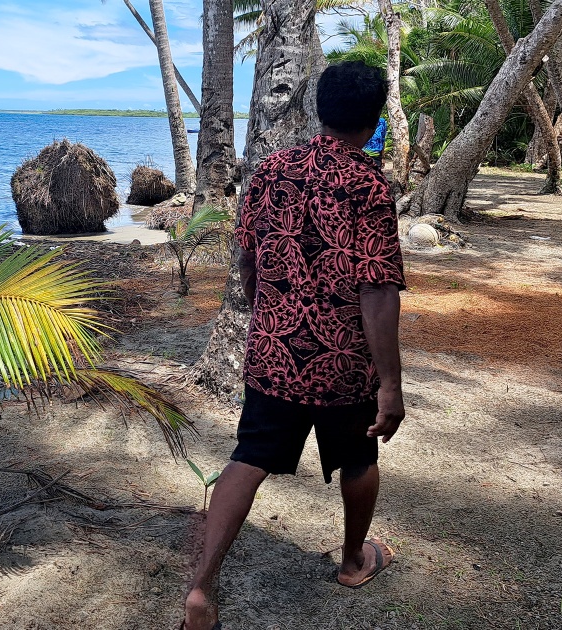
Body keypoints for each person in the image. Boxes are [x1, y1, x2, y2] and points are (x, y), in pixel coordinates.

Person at [182, 61, 406, 630]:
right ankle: (355, 561)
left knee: (248, 457)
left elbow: (251, 259)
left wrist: (270, 315)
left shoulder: (273, 170)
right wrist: (391, 384)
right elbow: (377, 288)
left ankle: (202, 587)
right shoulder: (369, 186)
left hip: (275, 354)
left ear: (317, 109)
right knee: (358, 456)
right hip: (341, 362)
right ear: (374, 117)